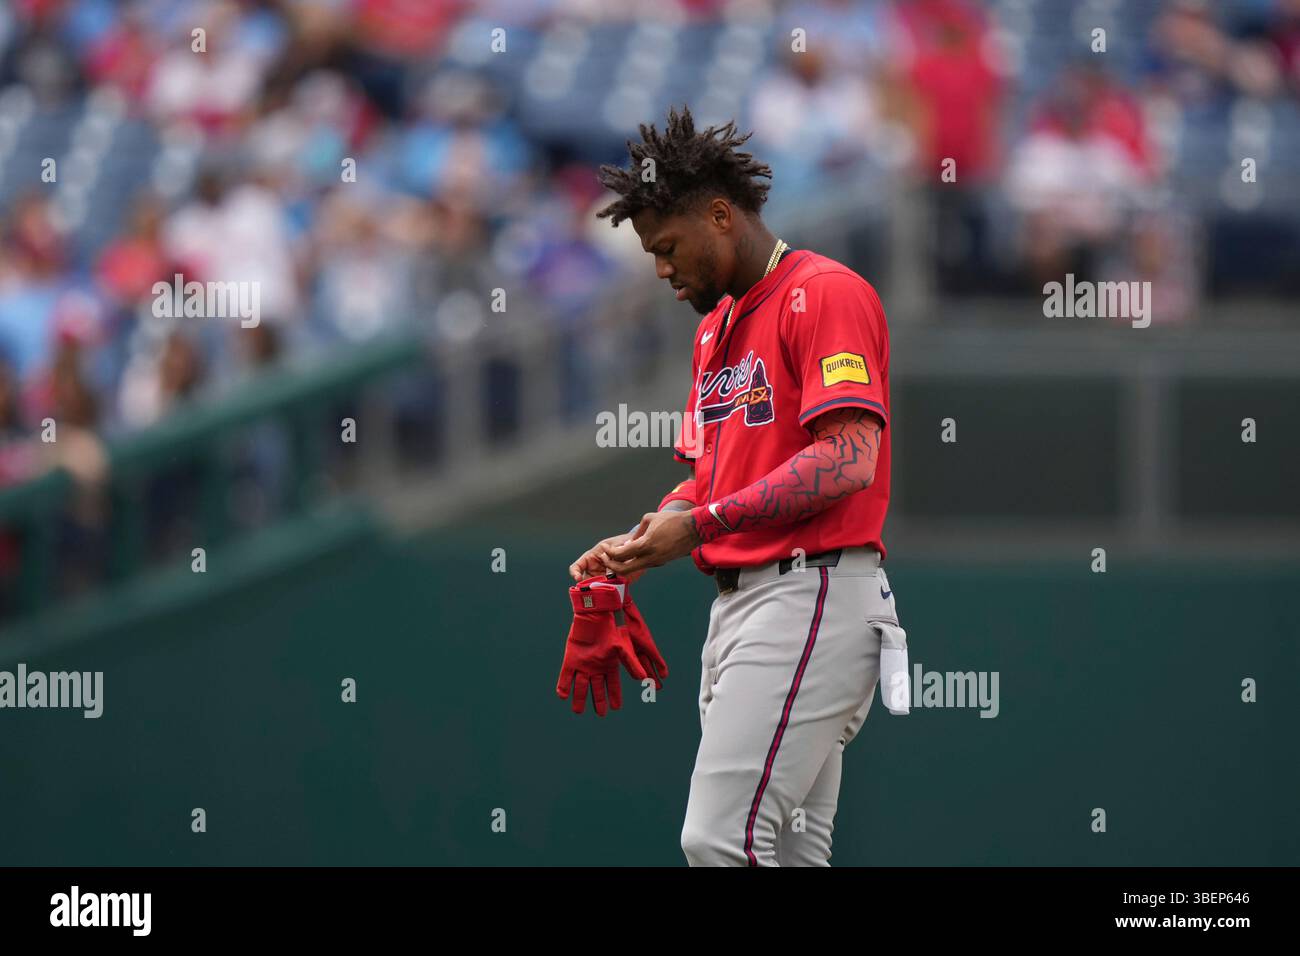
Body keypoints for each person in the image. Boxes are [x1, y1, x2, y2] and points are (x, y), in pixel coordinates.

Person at [569, 105, 907, 867]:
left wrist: (704, 520)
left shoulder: (823, 292)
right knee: (788, 855)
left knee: (718, 839)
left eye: (667, 245)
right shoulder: (713, 332)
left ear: (720, 214)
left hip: (810, 593)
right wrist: (646, 538)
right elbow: (709, 481)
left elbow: (850, 456)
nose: (660, 267)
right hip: (747, 607)